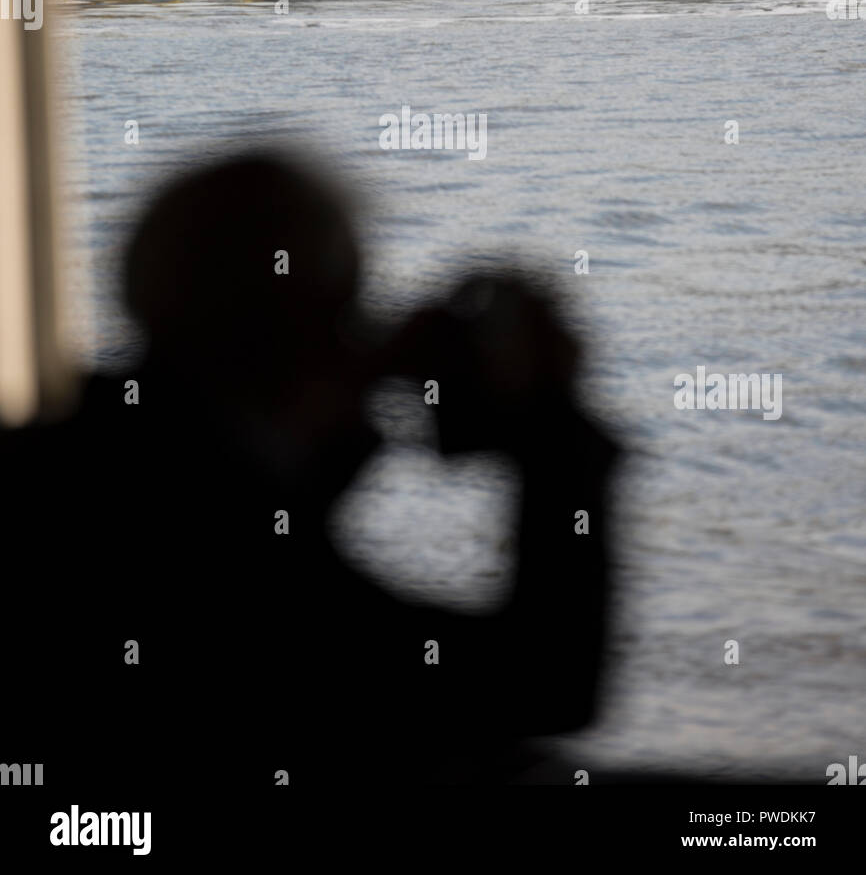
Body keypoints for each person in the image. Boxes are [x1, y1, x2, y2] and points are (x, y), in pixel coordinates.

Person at [0, 150, 617, 794]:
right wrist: (551, 430)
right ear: (317, 327)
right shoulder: (225, 549)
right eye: (352, 307)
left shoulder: (71, 460)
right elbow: (544, 686)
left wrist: (345, 427)